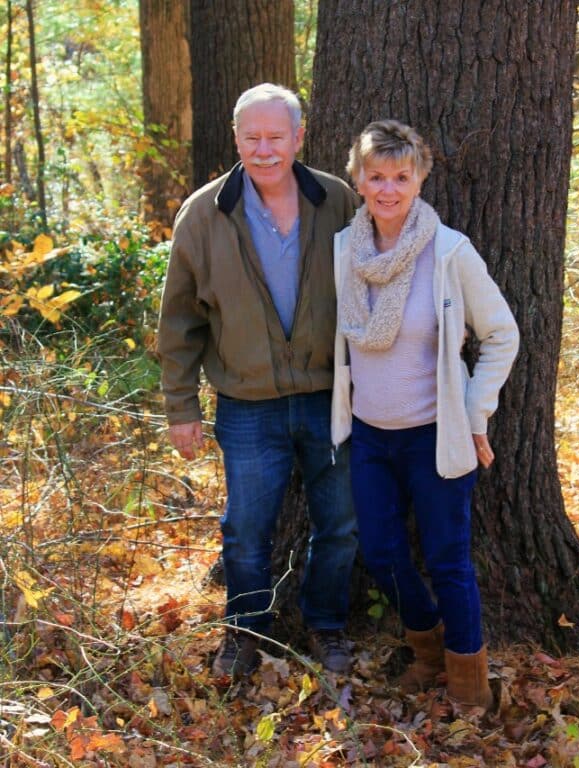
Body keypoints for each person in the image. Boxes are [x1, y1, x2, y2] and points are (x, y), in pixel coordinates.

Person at [157, 83, 359, 678]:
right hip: (247, 404)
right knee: (245, 531)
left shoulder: (339, 201)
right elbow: (179, 319)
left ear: (299, 137)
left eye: (277, 137)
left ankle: (327, 628)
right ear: (236, 138)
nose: (265, 150)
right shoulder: (203, 214)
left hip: (331, 396)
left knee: (341, 526)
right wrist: (180, 407)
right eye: (253, 138)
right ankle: (245, 634)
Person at [331, 120, 519, 713]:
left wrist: (474, 412)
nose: (388, 189)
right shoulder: (342, 251)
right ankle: (428, 649)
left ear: (419, 181)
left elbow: (501, 335)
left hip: (434, 438)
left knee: (447, 559)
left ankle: (469, 682)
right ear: (357, 179)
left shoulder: (448, 252)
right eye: (377, 176)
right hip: (369, 436)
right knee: (383, 555)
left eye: (401, 177)